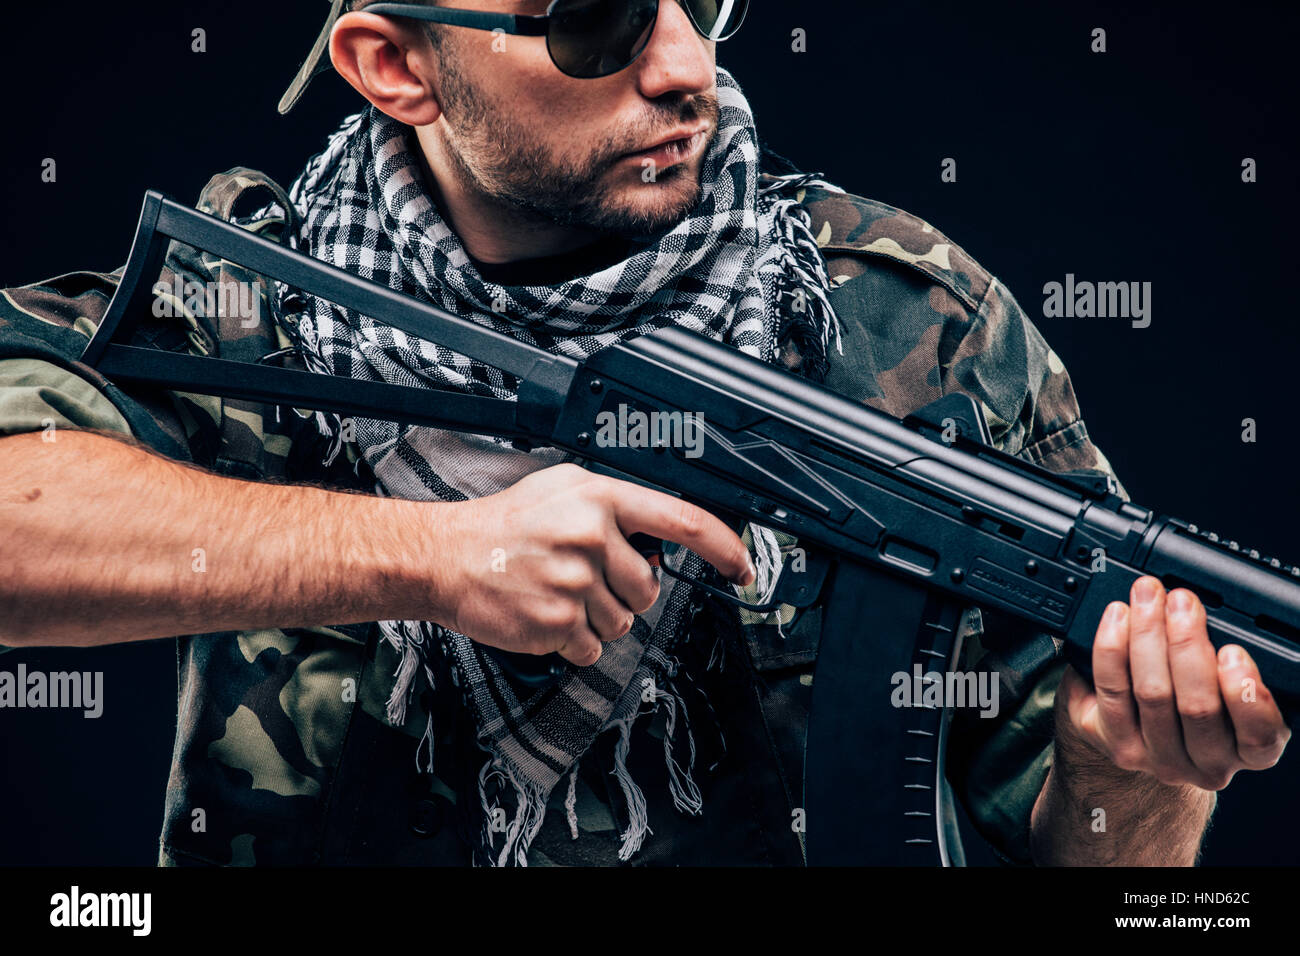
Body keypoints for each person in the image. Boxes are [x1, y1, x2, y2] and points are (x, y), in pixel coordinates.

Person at [0, 0, 1288, 867]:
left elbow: (1114, 869)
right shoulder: (251, 311)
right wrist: (425, 556)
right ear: (396, 66)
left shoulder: (912, 316)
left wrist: (1141, 775)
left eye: (700, 2)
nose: (687, 69)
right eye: (595, 19)